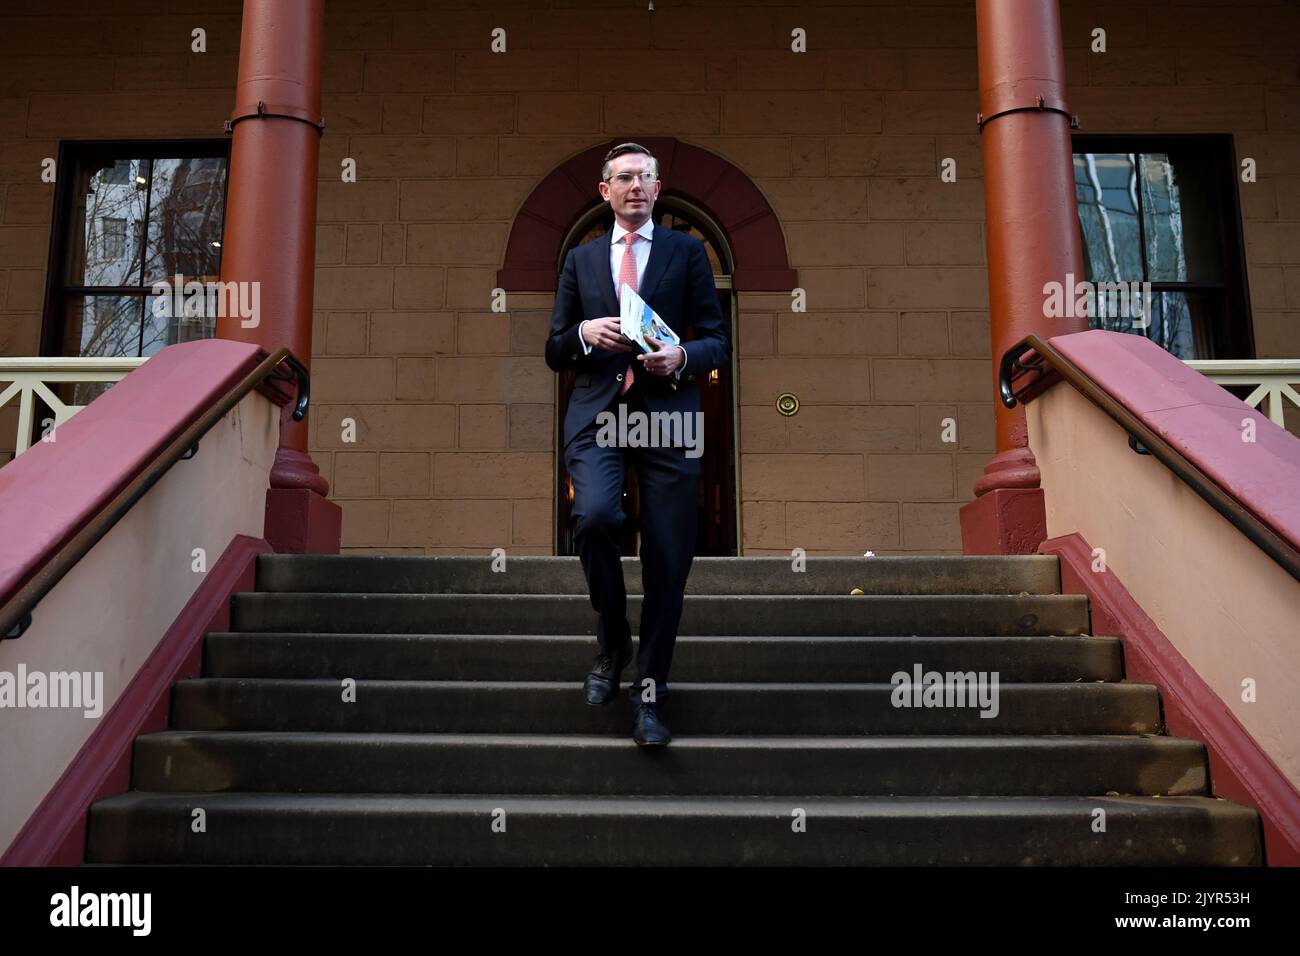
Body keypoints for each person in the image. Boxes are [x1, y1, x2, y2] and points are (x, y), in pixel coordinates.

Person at [544, 142, 730, 746]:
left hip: (667, 417)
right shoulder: (581, 259)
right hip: (598, 414)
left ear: (656, 188)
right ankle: (613, 640)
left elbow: (717, 341)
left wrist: (682, 356)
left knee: (668, 558)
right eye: (624, 177)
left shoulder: (687, 253)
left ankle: (649, 692)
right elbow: (553, 350)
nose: (636, 186)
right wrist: (581, 333)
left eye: (646, 178)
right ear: (605, 190)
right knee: (596, 517)